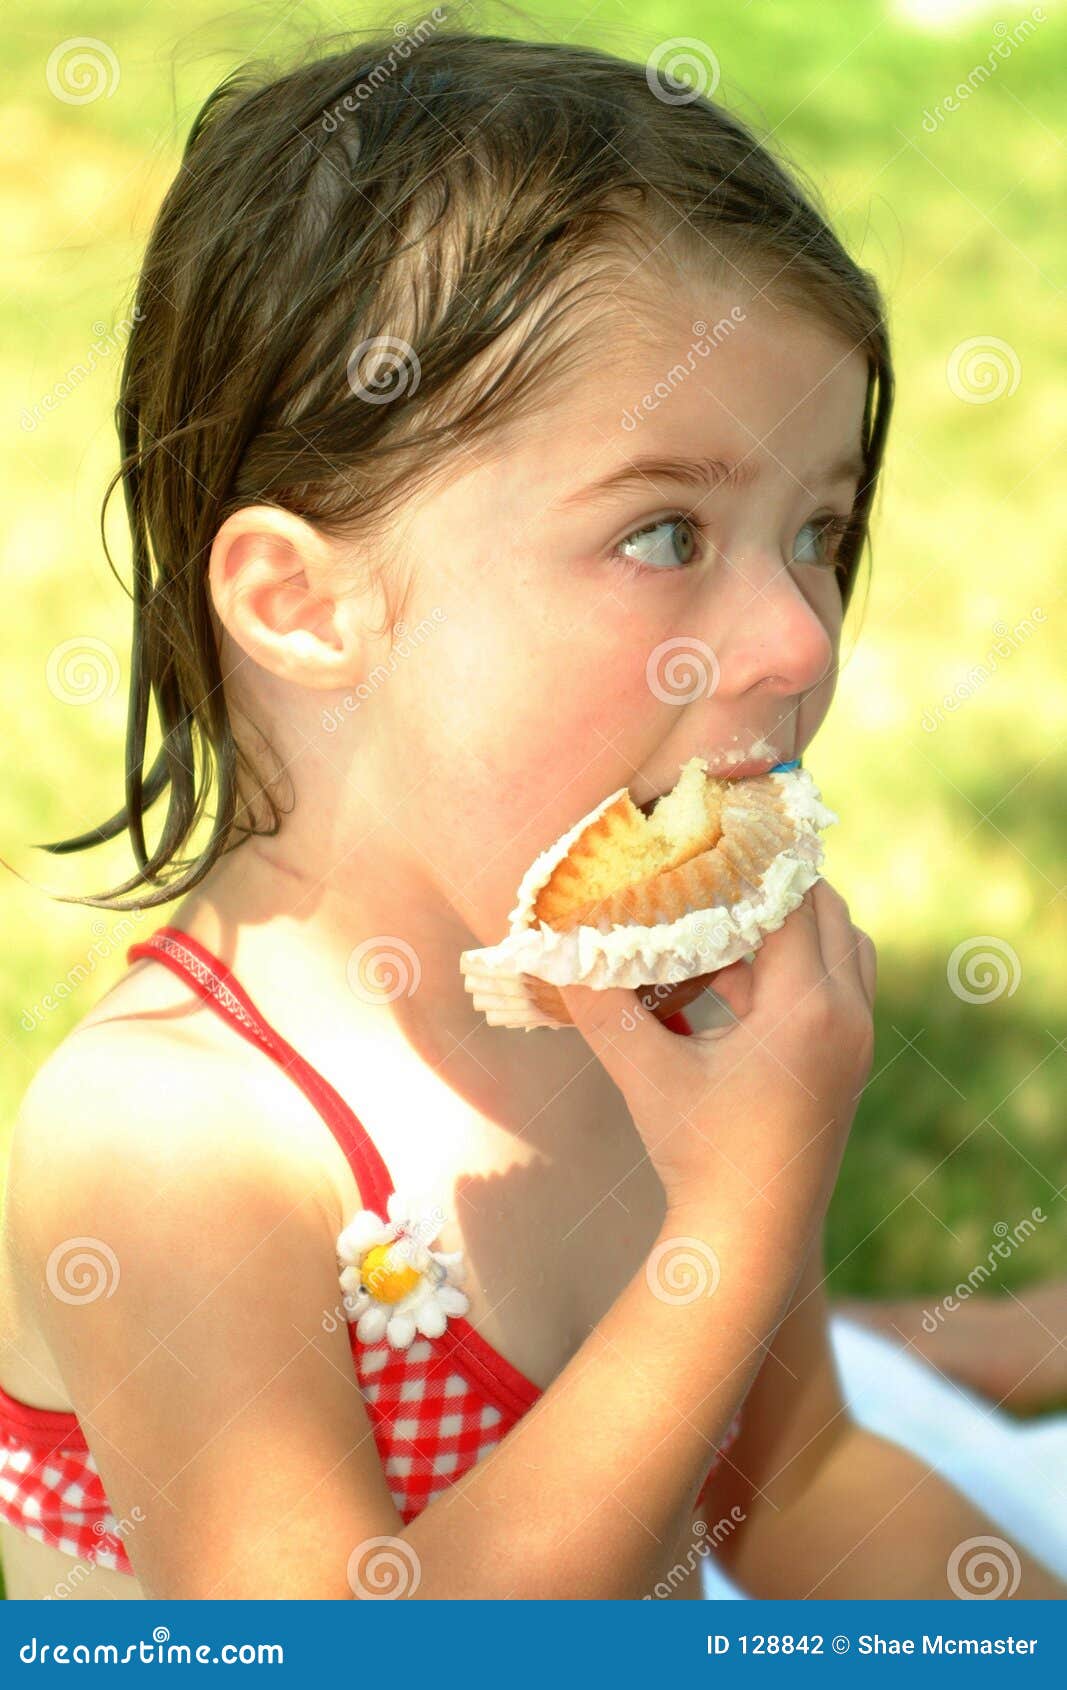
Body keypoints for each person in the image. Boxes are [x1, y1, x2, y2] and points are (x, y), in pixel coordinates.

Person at [1, 21, 1062, 1601]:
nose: (798, 637)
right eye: (663, 532)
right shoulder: (176, 1147)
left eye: (818, 531)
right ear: (304, 603)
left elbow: (791, 1493)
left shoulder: (656, 1018)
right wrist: (740, 1207)